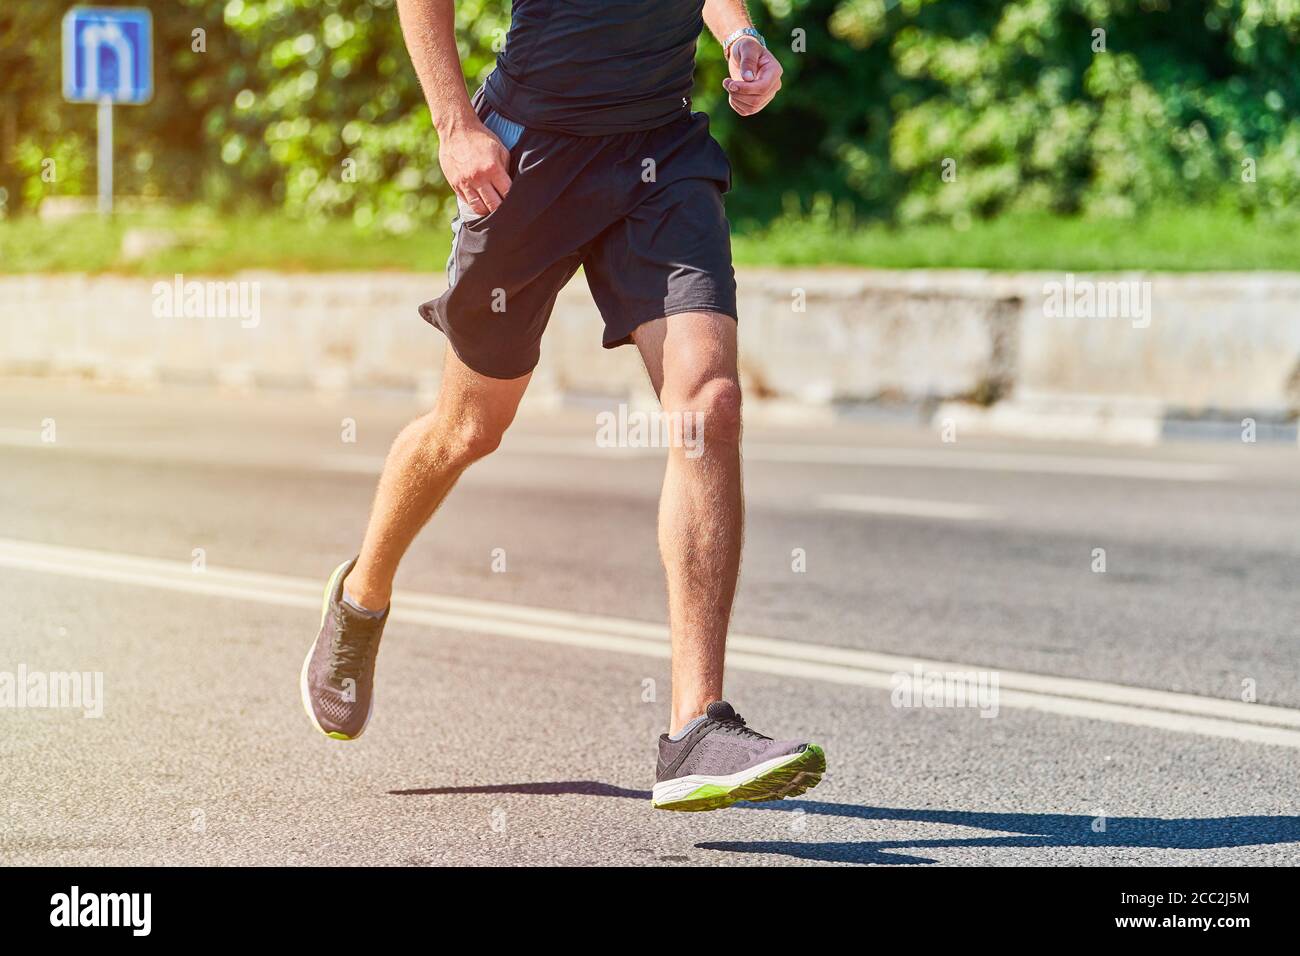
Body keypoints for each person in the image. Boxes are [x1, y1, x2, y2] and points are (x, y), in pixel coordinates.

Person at [301, 0, 825, 812]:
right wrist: (454, 127)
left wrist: (742, 36)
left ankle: (696, 729)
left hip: (660, 151)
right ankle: (361, 597)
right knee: (470, 427)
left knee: (709, 406)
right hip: (528, 157)